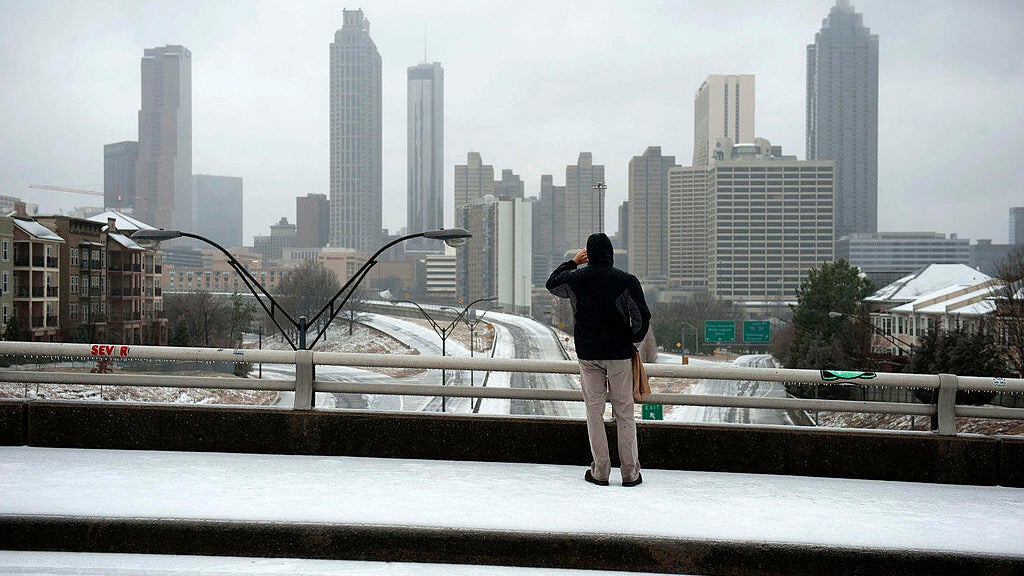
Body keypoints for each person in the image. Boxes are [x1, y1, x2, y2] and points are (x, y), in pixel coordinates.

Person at [546, 232, 652, 487]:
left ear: (588, 254)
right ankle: (630, 473)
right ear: (611, 254)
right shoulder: (626, 281)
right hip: (619, 355)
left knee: (594, 413)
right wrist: (631, 340)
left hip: (589, 355)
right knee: (624, 413)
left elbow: (552, 284)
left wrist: (573, 262)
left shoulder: (576, 280)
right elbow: (642, 318)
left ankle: (600, 471)